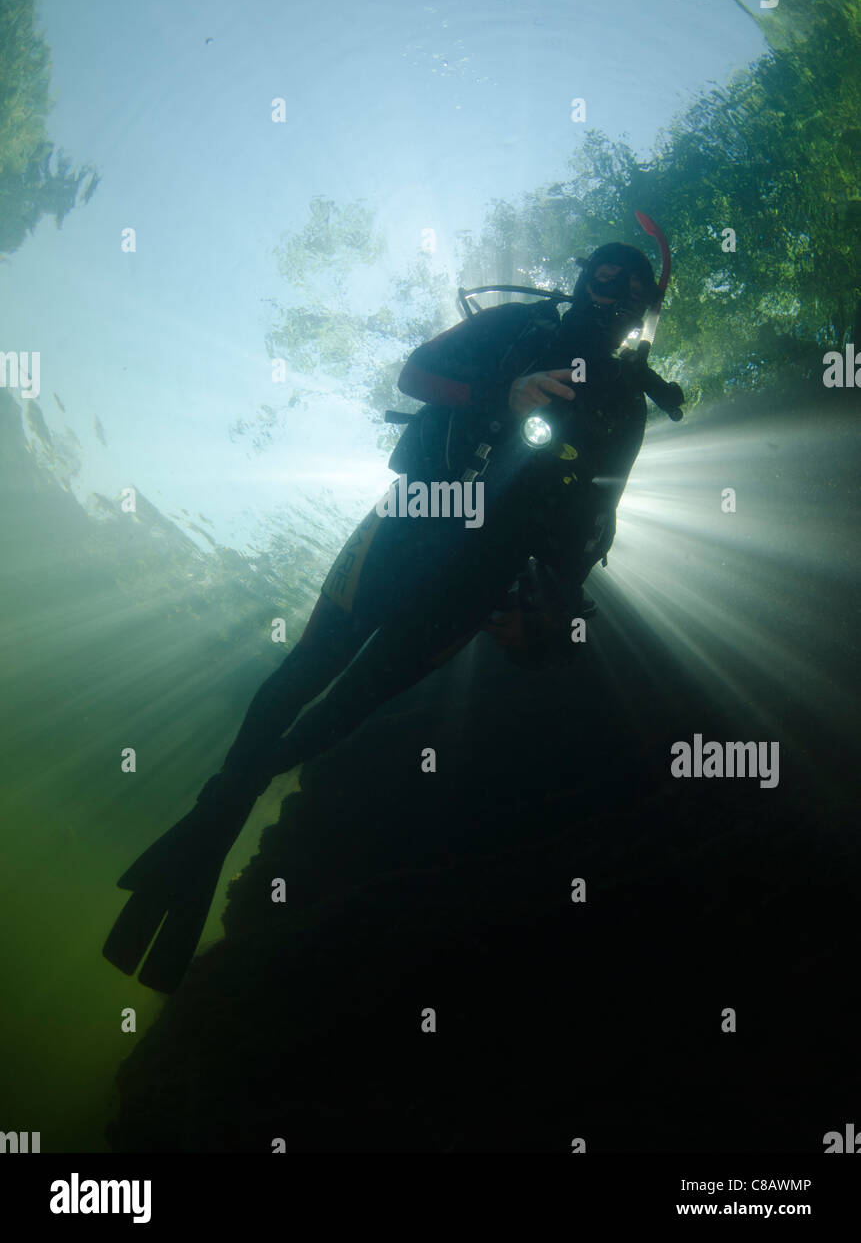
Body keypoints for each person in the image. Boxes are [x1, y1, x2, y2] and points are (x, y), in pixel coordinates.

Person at [103, 241, 666, 992]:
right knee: (298, 675)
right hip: (408, 521)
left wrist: (549, 613)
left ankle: (211, 822)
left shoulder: (627, 404)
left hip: (475, 582)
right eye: (605, 273)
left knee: (341, 716)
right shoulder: (519, 329)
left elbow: (594, 521)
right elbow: (413, 375)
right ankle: (215, 821)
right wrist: (505, 393)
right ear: (579, 278)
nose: (617, 293)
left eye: (634, 286)